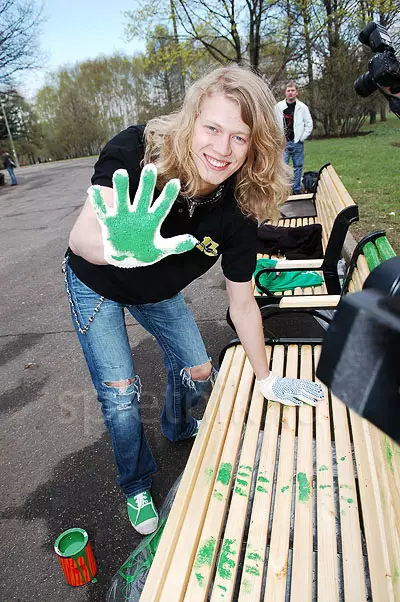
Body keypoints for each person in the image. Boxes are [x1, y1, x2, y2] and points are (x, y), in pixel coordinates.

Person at [65, 65, 323, 536]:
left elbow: (242, 303)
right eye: (213, 128)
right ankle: (135, 483)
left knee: (199, 369)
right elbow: (81, 237)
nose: (222, 149)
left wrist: (265, 378)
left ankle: (179, 427)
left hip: (157, 290)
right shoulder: (136, 151)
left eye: (239, 137)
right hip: (97, 280)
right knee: (121, 396)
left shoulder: (240, 206)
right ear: (191, 120)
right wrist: (118, 251)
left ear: (256, 144)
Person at [275, 81, 313, 195]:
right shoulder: (278, 107)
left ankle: (296, 189)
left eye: (292, 90)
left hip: (297, 143)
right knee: (282, 168)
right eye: (288, 90)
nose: (290, 93)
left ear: (297, 92)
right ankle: (284, 190)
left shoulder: (302, 108)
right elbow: (273, 123)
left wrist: (301, 137)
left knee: (298, 167)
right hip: (283, 143)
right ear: (285, 92)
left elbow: (309, 123)